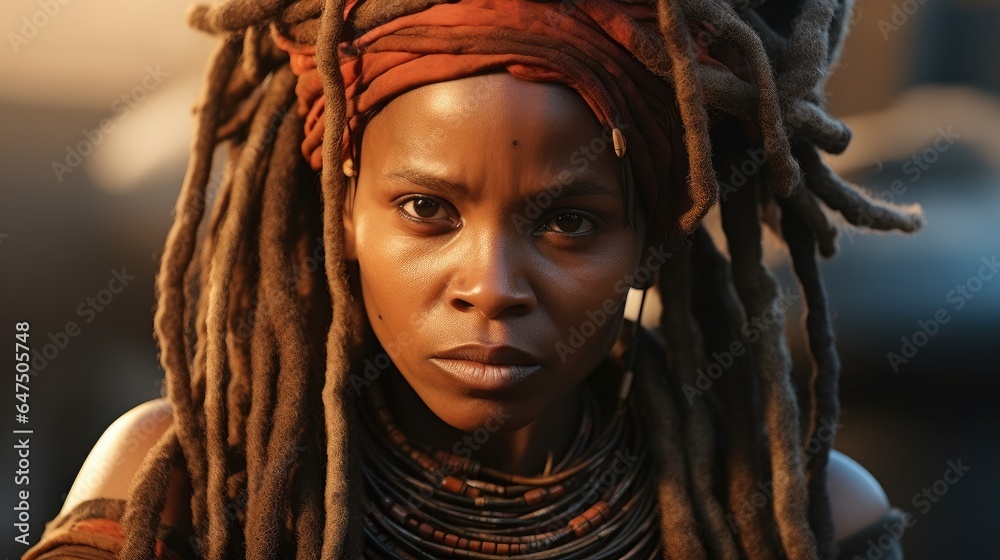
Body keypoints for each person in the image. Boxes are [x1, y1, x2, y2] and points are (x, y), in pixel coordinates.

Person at [23, 0, 926, 558]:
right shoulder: (175, 487)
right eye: (427, 211)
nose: (491, 286)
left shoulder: (803, 521)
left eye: (570, 223)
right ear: (345, 216)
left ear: (651, 243)